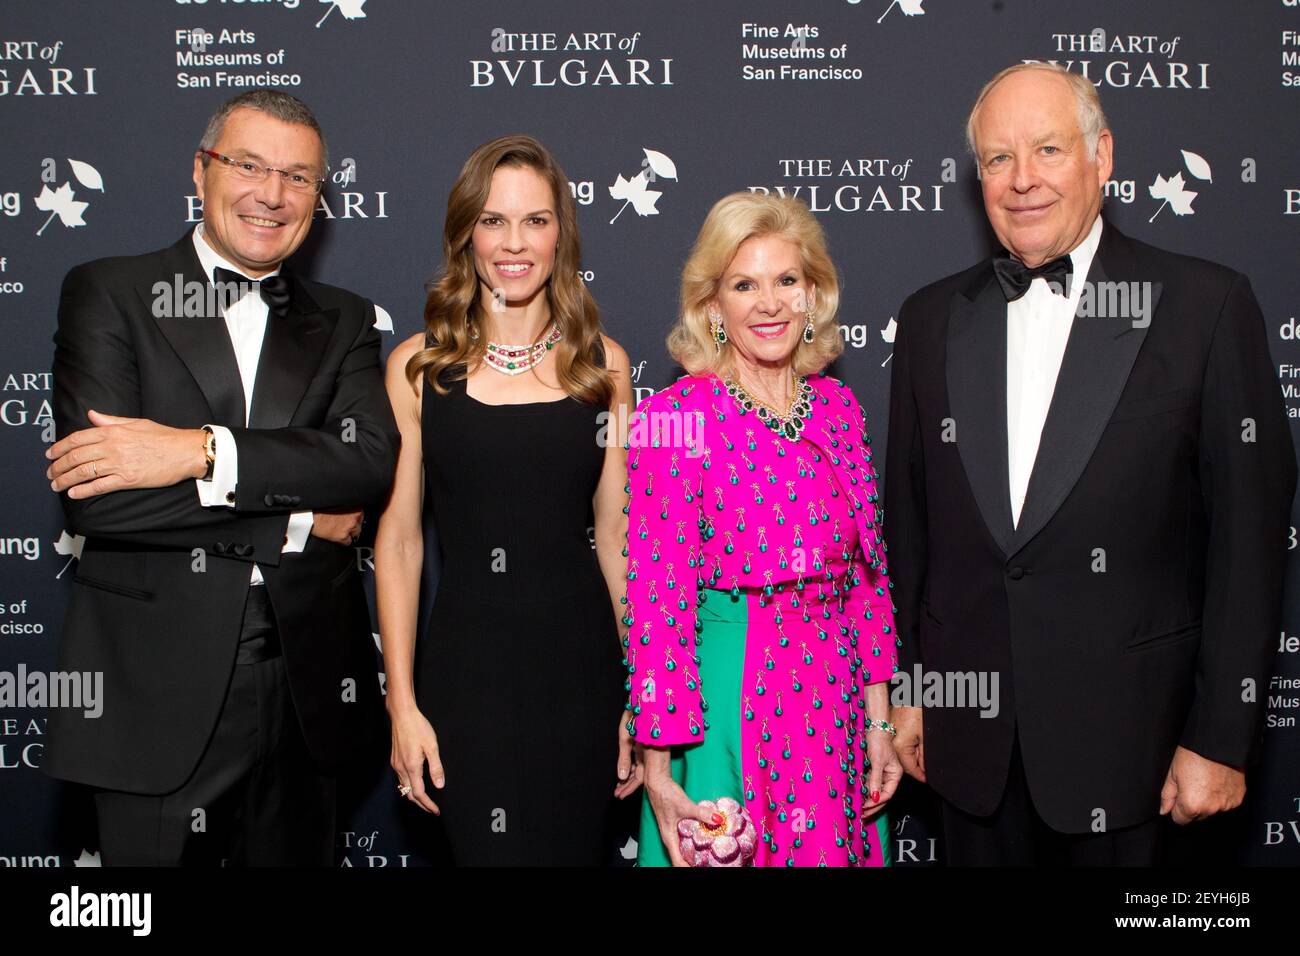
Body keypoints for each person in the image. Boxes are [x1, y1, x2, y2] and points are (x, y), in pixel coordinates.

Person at [885, 62, 1296, 865]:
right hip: (969, 756)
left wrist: (1220, 739)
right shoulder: (931, 319)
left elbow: (1249, 546)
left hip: (1139, 760)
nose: (1022, 180)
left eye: (1047, 149)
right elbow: (911, 531)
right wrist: (906, 694)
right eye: (998, 159)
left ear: (1101, 156)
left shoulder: (1205, 307)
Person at [42, 90, 400, 866]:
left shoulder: (342, 319)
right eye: (249, 165)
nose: (272, 194)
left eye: (299, 177)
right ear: (200, 171)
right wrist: (294, 521)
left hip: (307, 702)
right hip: (151, 702)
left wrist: (198, 451)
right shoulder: (110, 292)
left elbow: (367, 459)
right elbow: (101, 503)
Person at [375, 134, 634, 865]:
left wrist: (641, 696)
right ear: (466, 235)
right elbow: (397, 544)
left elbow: (617, 542)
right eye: (493, 220)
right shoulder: (418, 367)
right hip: (465, 682)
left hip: (583, 681)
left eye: (536, 220)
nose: (514, 243)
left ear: (562, 234)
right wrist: (402, 704)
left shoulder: (603, 367)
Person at [628, 191, 903, 867]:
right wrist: (660, 770)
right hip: (727, 693)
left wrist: (878, 723)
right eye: (744, 285)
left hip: (835, 698)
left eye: (786, 281)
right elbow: (659, 599)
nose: (769, 303)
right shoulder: (675, 415)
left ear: (813, 295)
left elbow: (867, 579)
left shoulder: (839, 410)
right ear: (713, 305)